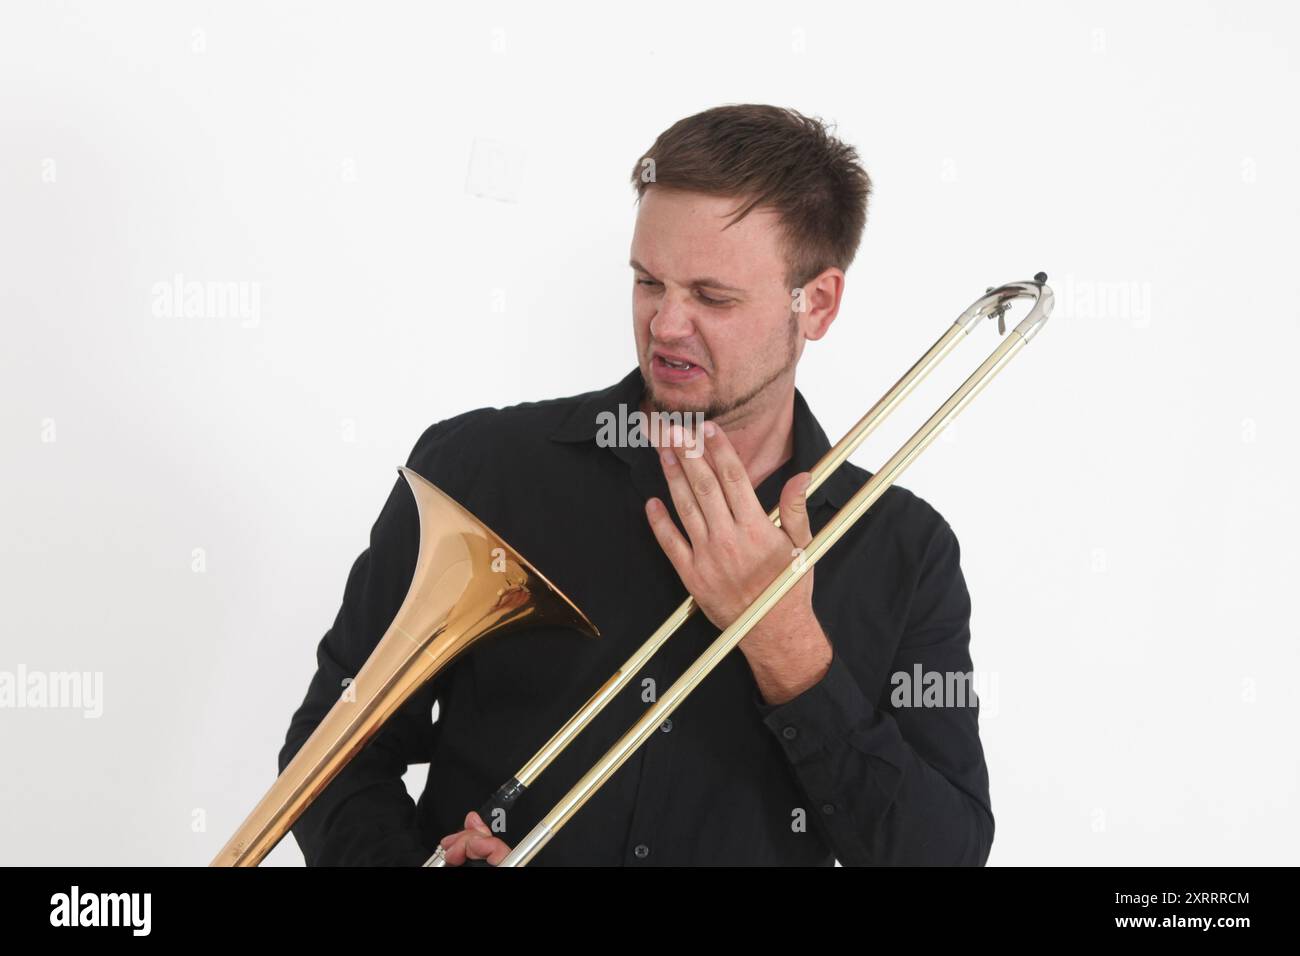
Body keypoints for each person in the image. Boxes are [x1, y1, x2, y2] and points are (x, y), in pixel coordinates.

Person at [279, 104, 994, 866]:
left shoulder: (906, 551)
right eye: (648, 281)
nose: (666, 325)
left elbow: (942, 852)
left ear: (814, 303)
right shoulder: (476, 470)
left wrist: (787, 648)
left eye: (712, 297)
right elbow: (331, 757)